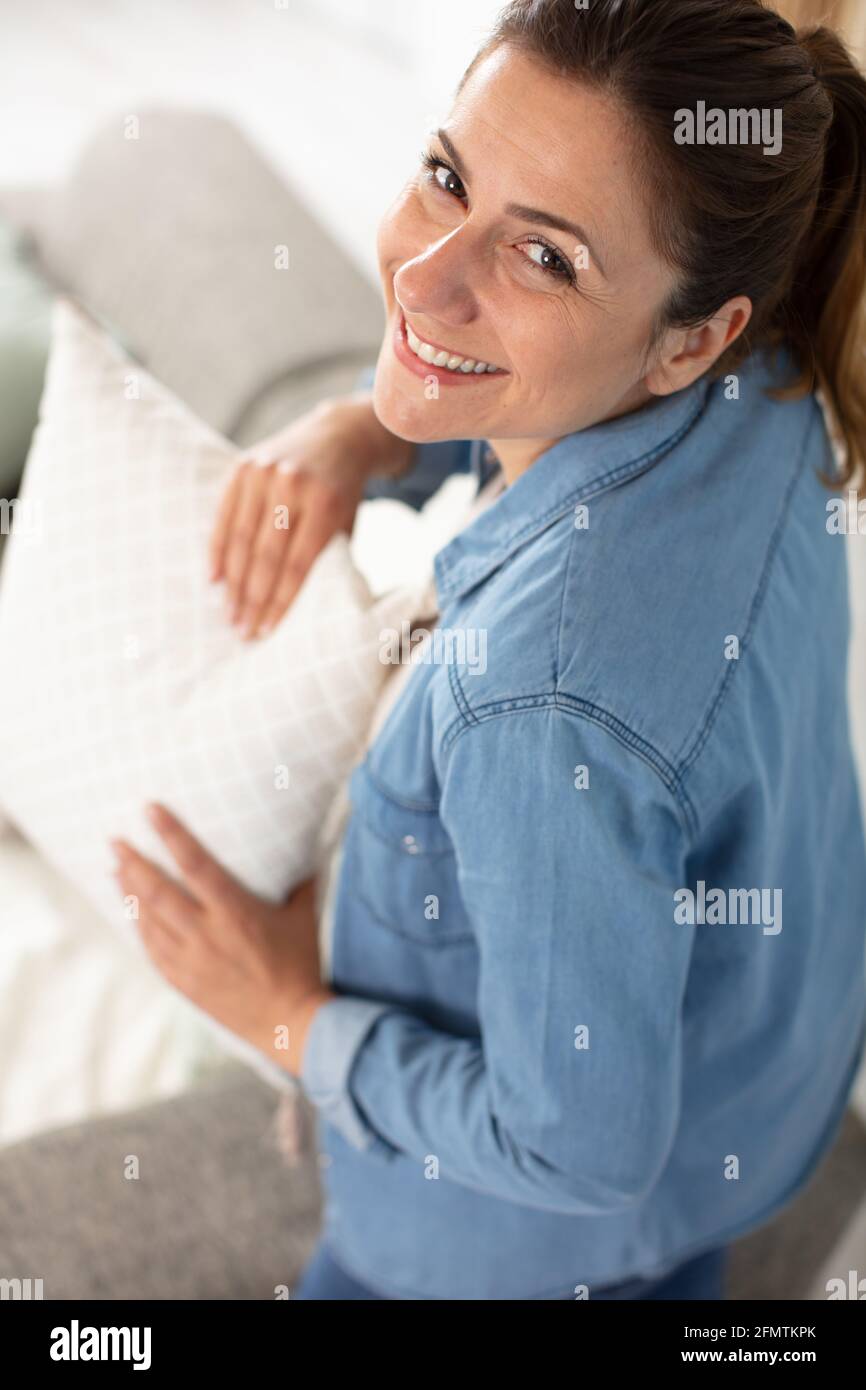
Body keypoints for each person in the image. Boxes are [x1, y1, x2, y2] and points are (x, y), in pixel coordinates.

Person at [112, 0, 866, 1299]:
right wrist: (375, 426)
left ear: (698, 337)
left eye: (543, 258)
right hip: (757, 1095)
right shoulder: (770, 383)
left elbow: (575, 1150)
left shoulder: (539, 708)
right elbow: (581, 388)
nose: (419, 278)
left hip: (502, 1255)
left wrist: (283, 1014)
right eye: (448, 176)